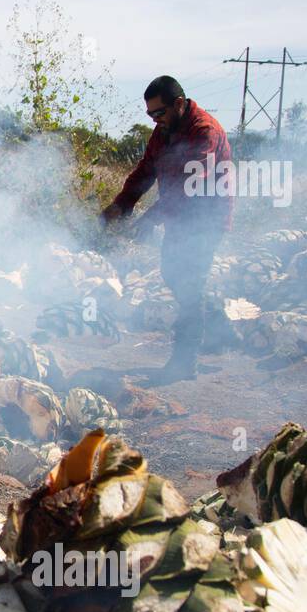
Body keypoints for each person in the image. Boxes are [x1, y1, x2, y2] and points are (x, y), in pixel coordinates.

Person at [102, 75, 233, 384]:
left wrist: (151, 218)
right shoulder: (163, 132)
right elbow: (146, 170)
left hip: (206, 219)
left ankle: (184, 362)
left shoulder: (206, 132)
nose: (155, 120)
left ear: (178, 104)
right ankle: (218, 328)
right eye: (150, 115)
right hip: (178, 217)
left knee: (189, 283)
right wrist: (123, 204)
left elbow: (190, 187)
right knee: (172, 273)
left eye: (159, 113)